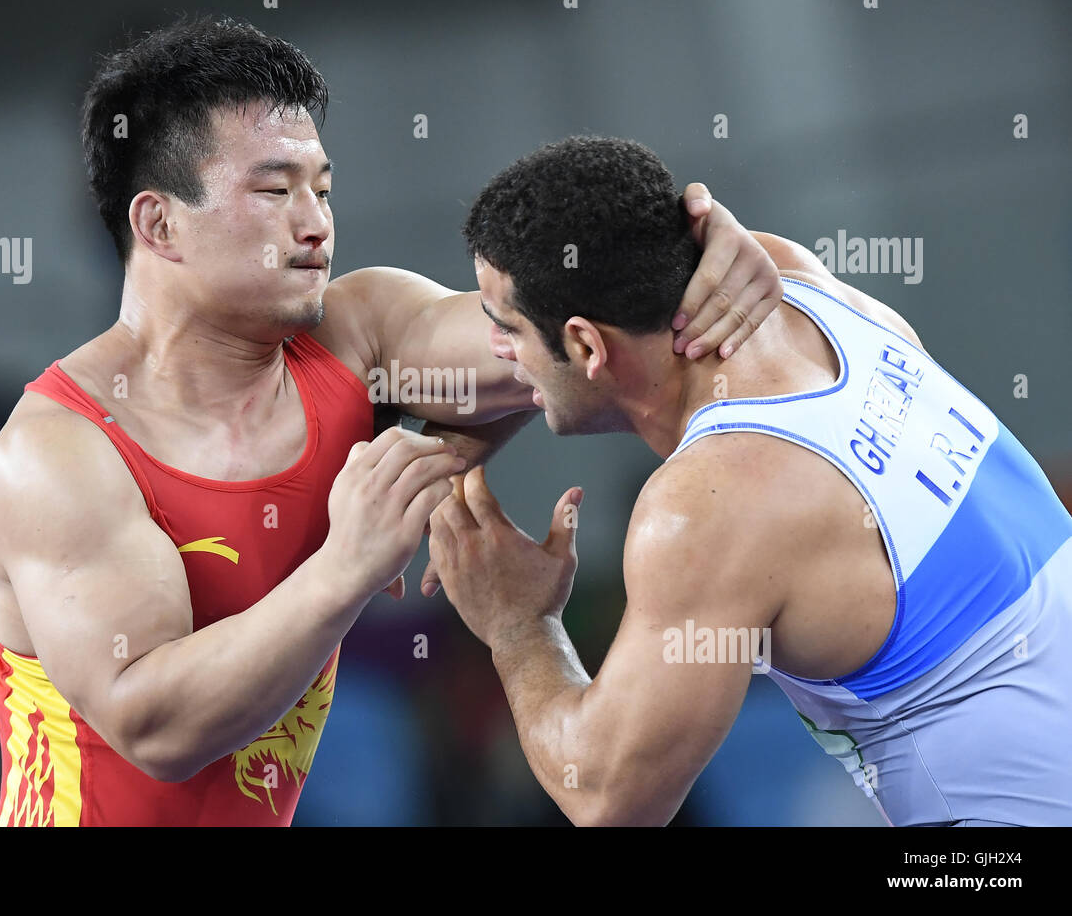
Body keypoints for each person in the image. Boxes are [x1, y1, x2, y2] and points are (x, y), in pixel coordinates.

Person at [0, 19, 781, 825]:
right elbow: (155, 724)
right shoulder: (56, 453)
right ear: (158, 224)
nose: (315, 223)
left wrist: (714, 252)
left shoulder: (360, 334)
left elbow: (565, 329)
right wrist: (349, 562)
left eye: (322, 189)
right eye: (273, 190)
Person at [428, 135, 1072, 827]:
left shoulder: (707, 506)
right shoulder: (795, 278)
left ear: (585, 344)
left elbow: (607, 796)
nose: (494, 351)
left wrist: (518, 625)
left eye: (506, 328)